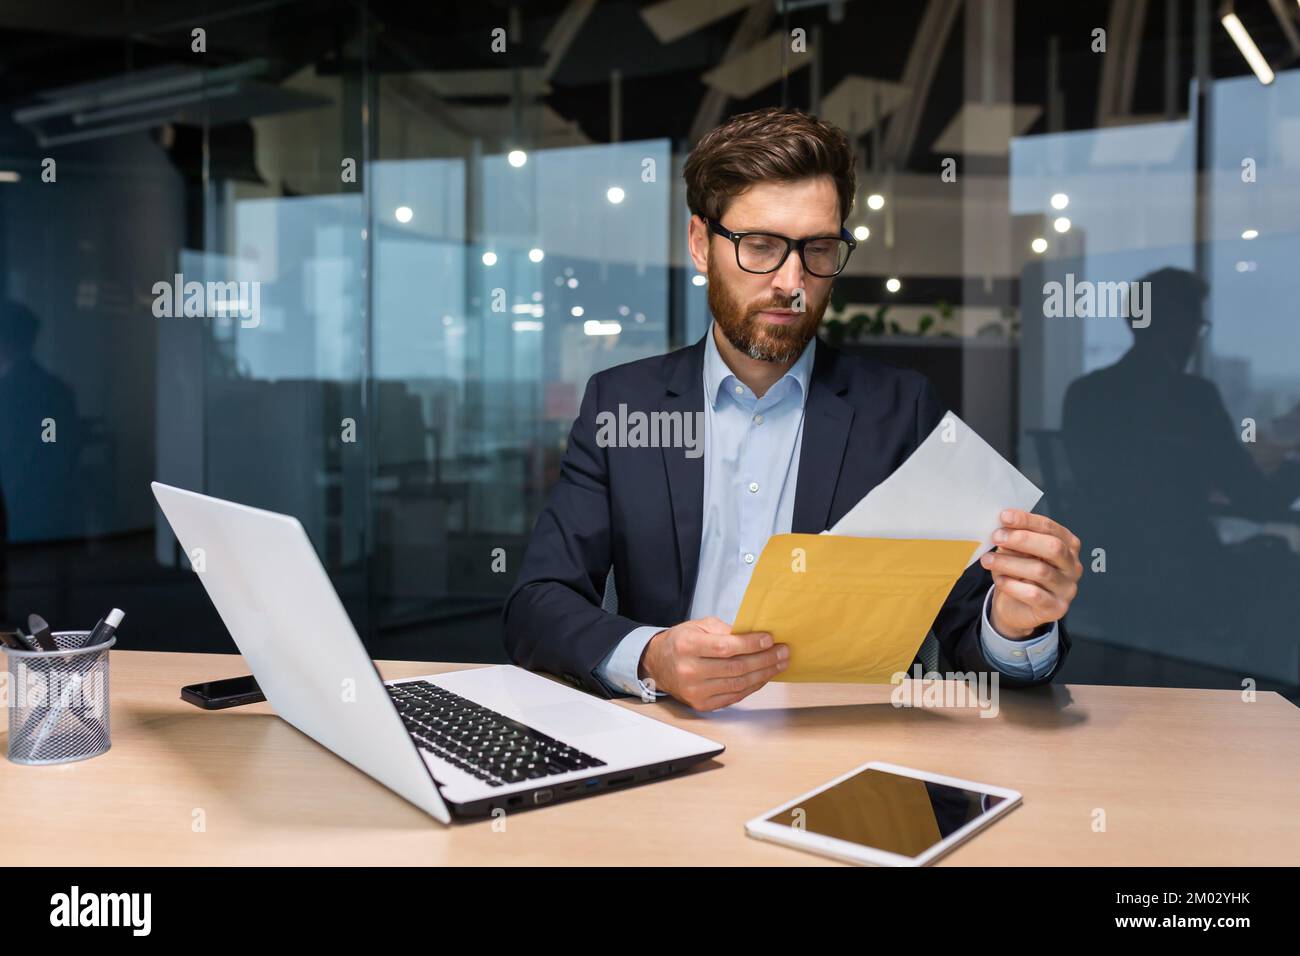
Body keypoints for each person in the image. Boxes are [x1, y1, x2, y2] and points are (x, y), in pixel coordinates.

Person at [503, 107, 1081, 711]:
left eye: (819, 249)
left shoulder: (901, 409)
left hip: (840, 748)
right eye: (760, 246)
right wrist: (654, 658)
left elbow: (971, 632)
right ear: (701, 244)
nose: (791, 280)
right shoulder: (622, 404)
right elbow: (537, 605)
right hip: (671, 739)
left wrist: (1016, 623)